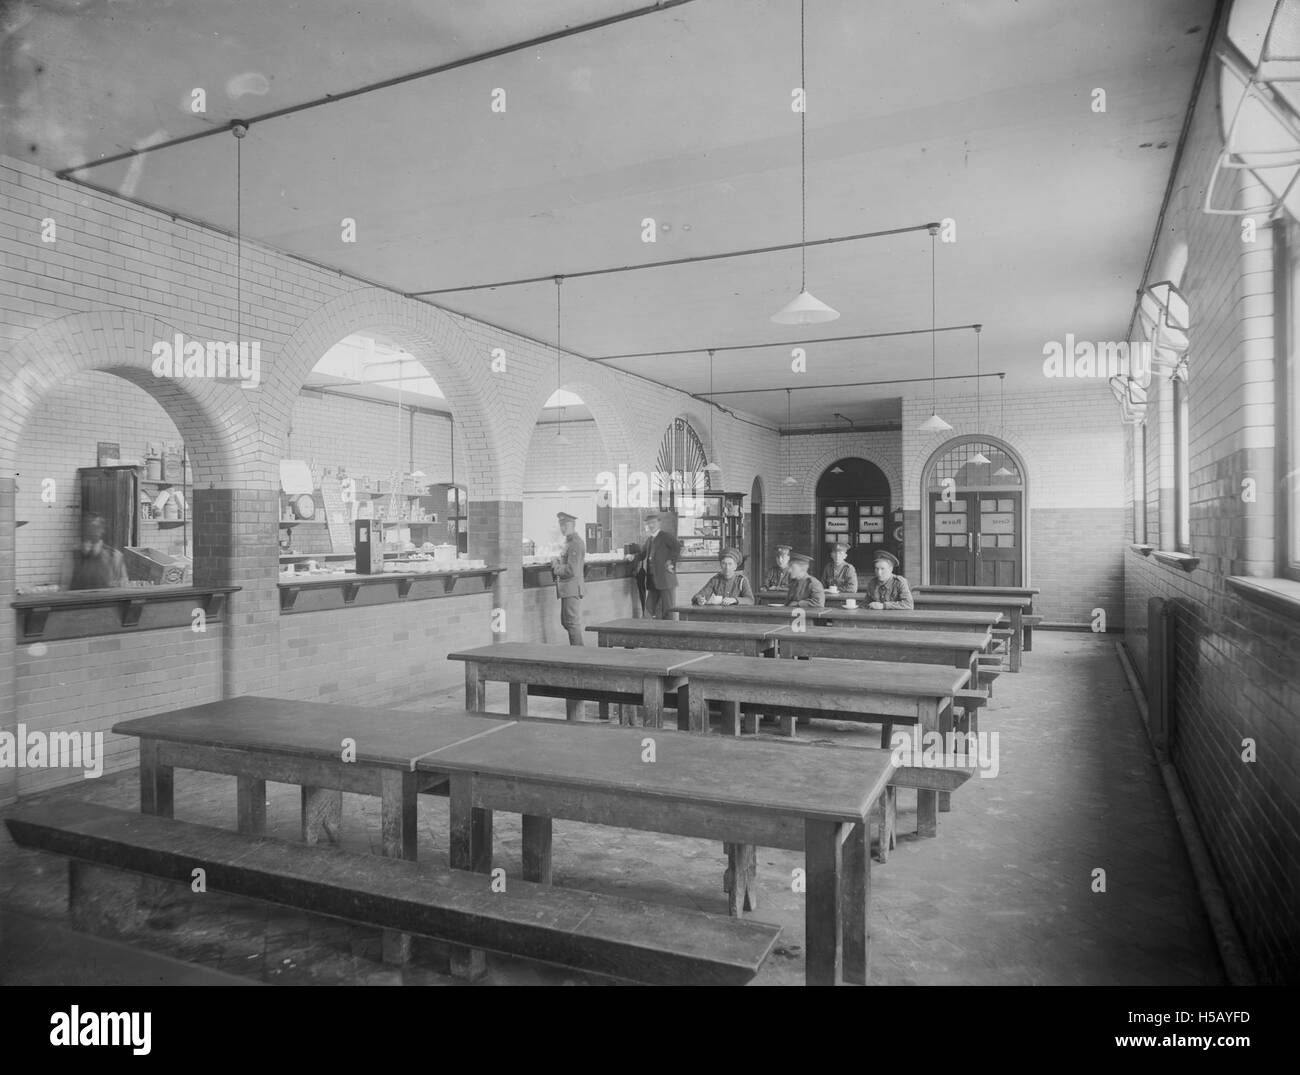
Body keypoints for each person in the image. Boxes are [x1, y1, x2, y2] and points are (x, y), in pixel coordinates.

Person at [60, 512, 129, 590]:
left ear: (103, 529)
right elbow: (65, 586)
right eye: (89, 527)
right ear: (84, 530)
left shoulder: (115, 556)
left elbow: (123, 587)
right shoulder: (72, 556)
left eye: (96, 527)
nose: (93, 531)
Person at [551, 512, 586, 644]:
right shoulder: (568, 542)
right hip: (568, 589)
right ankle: (577, 653)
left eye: (565, 525)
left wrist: (556, 567)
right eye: (561, 525)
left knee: (571, 623)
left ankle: (578, 655)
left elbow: (572, 569)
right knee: (566, 622)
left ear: (572, 525)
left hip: (572, 588)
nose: (563, 528)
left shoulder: (575, 543)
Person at [640, 511, 681, 619]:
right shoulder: (649, 540)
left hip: (665, 579)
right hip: (653, 580)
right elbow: (642, 553)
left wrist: (671, 562)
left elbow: (677, 548)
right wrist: (632, 556)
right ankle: (647, 631)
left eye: (653, 522)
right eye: (649, 523)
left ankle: (671, 631)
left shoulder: (665, 536)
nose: (651, 525)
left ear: (659, 523)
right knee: (648, 608)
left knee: (669, 609)